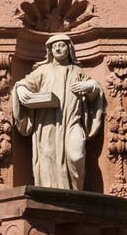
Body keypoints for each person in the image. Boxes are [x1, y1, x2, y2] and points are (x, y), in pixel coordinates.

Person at [11, 33, 105, 190]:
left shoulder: (77, 71)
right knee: (48, 157)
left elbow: (94, 92)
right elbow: (25, 83)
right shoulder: (43, 70)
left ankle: (76, 193)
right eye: (54, 47)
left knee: (76, 155)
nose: (57, 49)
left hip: (72, 122)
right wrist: (20, 90)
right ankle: (50, 194)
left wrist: (90, 87)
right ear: (49, 51)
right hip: (47, 125)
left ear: (69, 49)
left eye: (61, 46)